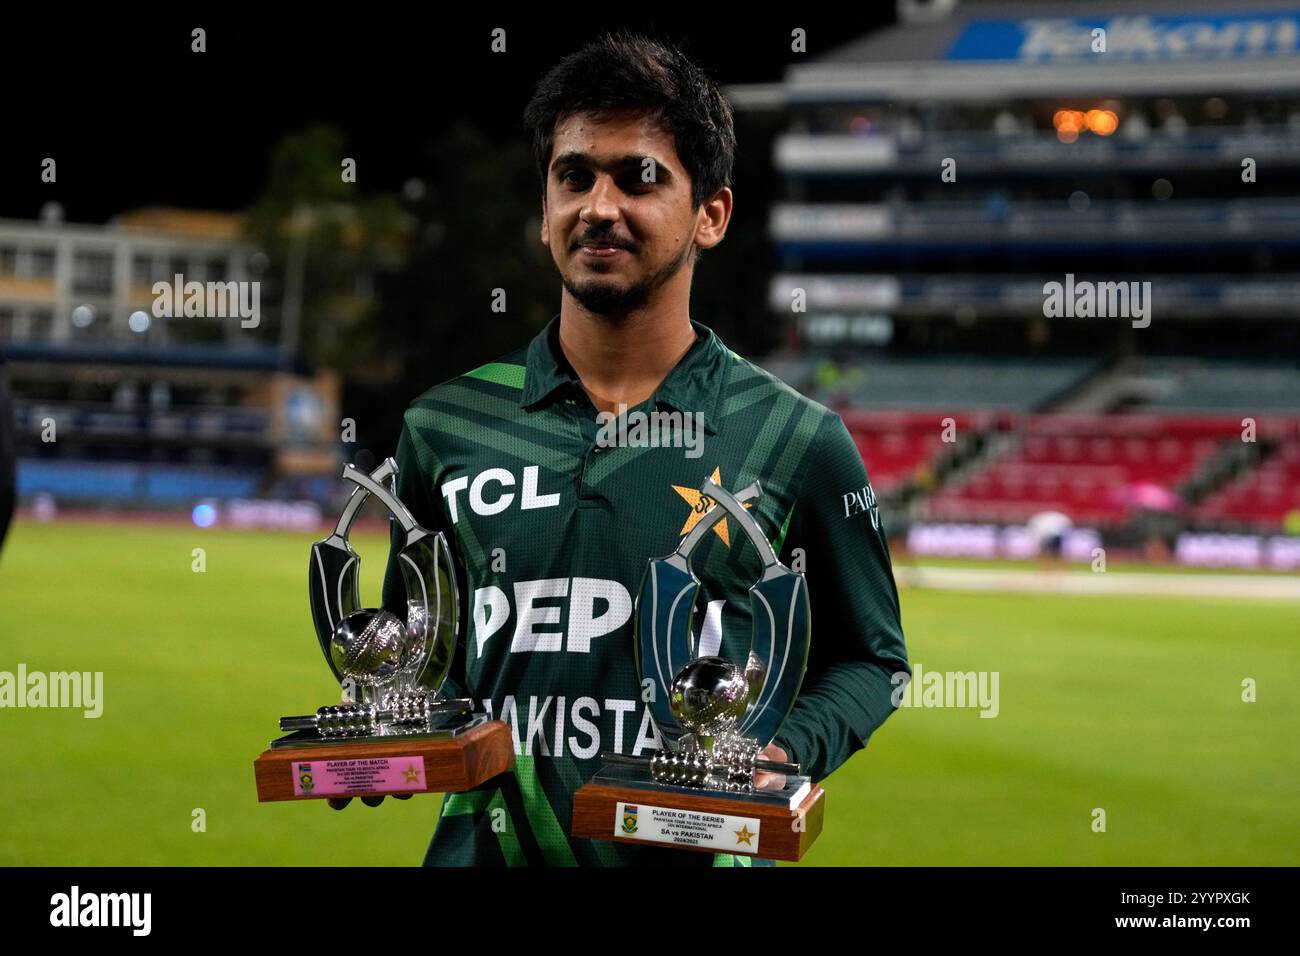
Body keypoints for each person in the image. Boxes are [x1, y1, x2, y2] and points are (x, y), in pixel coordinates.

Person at [365, 30, 909, 866]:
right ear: (545, 208)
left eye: (640, 177)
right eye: (573, 176)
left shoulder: (798, 439)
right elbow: (421, 652)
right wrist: (392, 735)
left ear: (710, 215)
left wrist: (786, 749)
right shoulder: (444, 426)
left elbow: (874, 659)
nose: (600, 206)